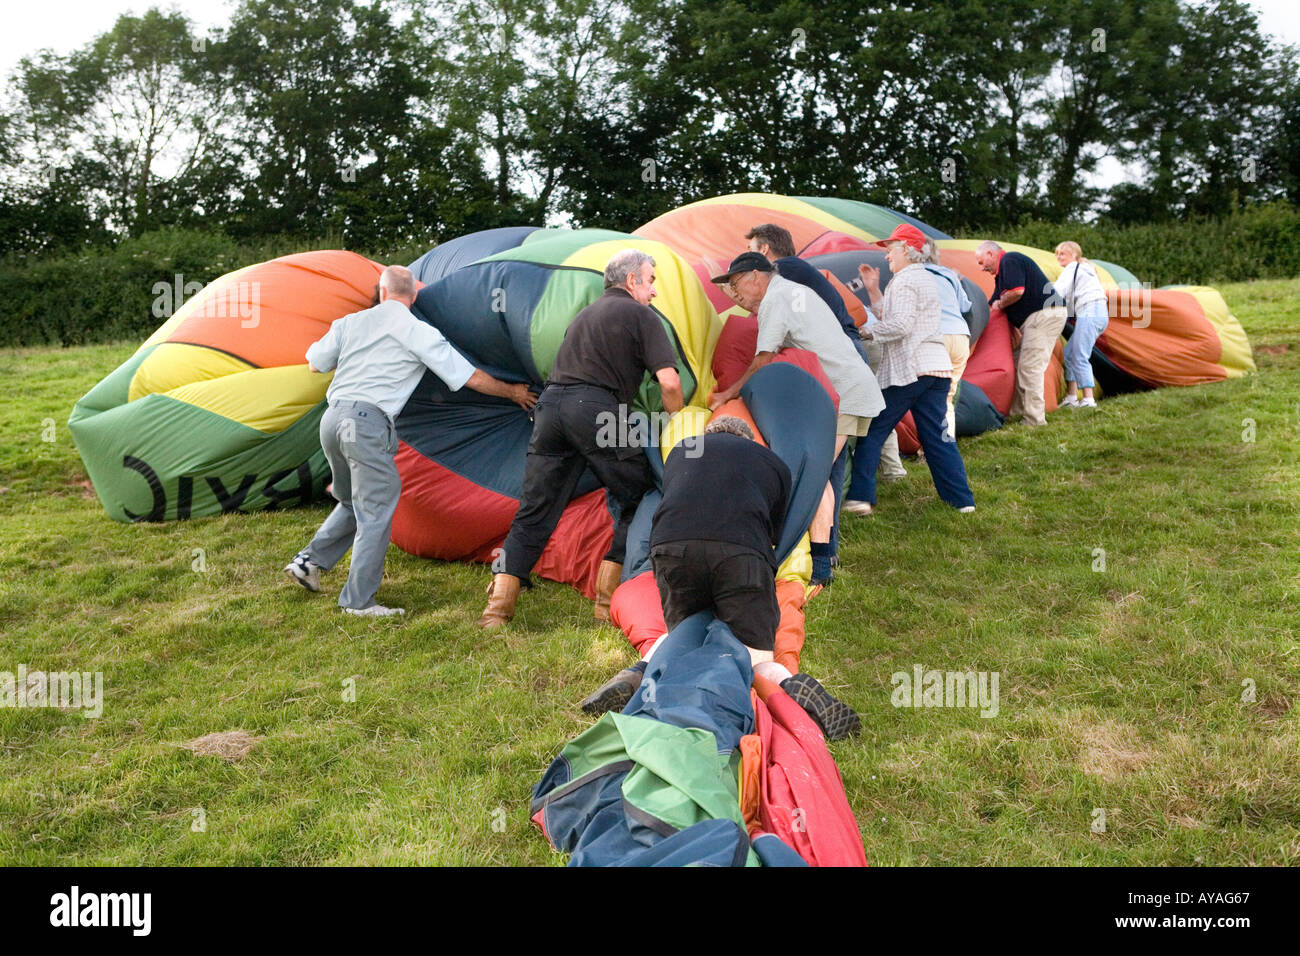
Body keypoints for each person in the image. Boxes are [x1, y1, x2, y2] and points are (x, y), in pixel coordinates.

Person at [580, 417, 861, 740]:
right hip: (741, 553)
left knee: (684, 636)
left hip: (671, 549)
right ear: (749, 441)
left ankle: (635, 674)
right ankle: (790, 688)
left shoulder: (682, 452)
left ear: (707, 436)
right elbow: (773, 537)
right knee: (755, 657)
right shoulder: (773, 464)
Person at [285, 265, 536, 616]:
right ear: (414, 295)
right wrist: (512, 392)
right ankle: (358, 602)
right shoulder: (417, 330)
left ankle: (308, 562)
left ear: (382, 291)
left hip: (333, 420)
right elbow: (469, 376)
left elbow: (315, 364)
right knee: (376, 509)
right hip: (368, 422)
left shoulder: (350, 322)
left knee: (351, 499)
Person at [477, 249, 684, 631]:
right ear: (632, 280)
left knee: (535, 509)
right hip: (599, 410)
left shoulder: (584, 316)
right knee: (639, 494)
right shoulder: (642, 315)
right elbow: (670, 382)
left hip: (551, 408)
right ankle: (607, 605)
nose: (654, 292)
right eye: (651, 280)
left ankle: (496, 612)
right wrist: (678, 420)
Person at [707, 251, 885, 586]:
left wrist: (727, 394)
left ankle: (815, 566)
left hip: (844, 393)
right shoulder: (789, 292)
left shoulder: (778, 298)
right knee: (827, 473)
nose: (736, 293)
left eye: (736, 284)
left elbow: (762, 359)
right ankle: (826, 555)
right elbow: (756, 311)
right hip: (849, 388)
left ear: (757, 276)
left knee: (812, 477)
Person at [744, 224, 906, 580]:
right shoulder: (800, 274)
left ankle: (819, 554)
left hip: (840, 365)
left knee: (818, 469)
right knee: (828, 467)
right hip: (843, 361)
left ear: (767, 252)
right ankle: (824, 549)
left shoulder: (787, 273)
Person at [844, 225, 976, 515]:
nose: (887, 255)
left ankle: (860, 498)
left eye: (890, 249)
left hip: (910, 370)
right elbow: (896, 316)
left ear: (906, 248)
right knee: (937, 436)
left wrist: (866, 332)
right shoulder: (924, 278)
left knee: (872, 429)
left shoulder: (904, 281)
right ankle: (962, 501)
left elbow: (900, 326)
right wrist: (873, 289)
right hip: (935, 369)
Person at [974, 240, 1068, 427]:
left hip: (1042, 316)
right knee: (1016, 363)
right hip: (1039, 318)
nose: (981, 268)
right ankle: (1016, 412)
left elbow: (1016, 292)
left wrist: (1000, 304)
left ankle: (1035, 420)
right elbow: (992, 303)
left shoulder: (1010, 260)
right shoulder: (1003, 274)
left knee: (1029, 367)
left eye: (981, 262)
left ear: (990, 254)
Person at [921, 239, 972, 439]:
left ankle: (928, 446)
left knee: (927, 396)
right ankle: (947, 442)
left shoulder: (911, 275)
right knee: (947, 396)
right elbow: (966, 306)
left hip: (935, 336)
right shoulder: (949, 274)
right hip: (959, 336)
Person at [1053, 241, 1109, 408]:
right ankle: (1071, 397)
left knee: (1079, 354)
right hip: (1098, 313)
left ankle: (1088, 399)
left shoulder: (1072, 268)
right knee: (1070, 352)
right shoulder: (1085, 269)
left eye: (1062, 253)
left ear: (1074, 255)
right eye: (1057, 253)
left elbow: (1058, 291)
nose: (1058, 256)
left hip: (1090, 311)